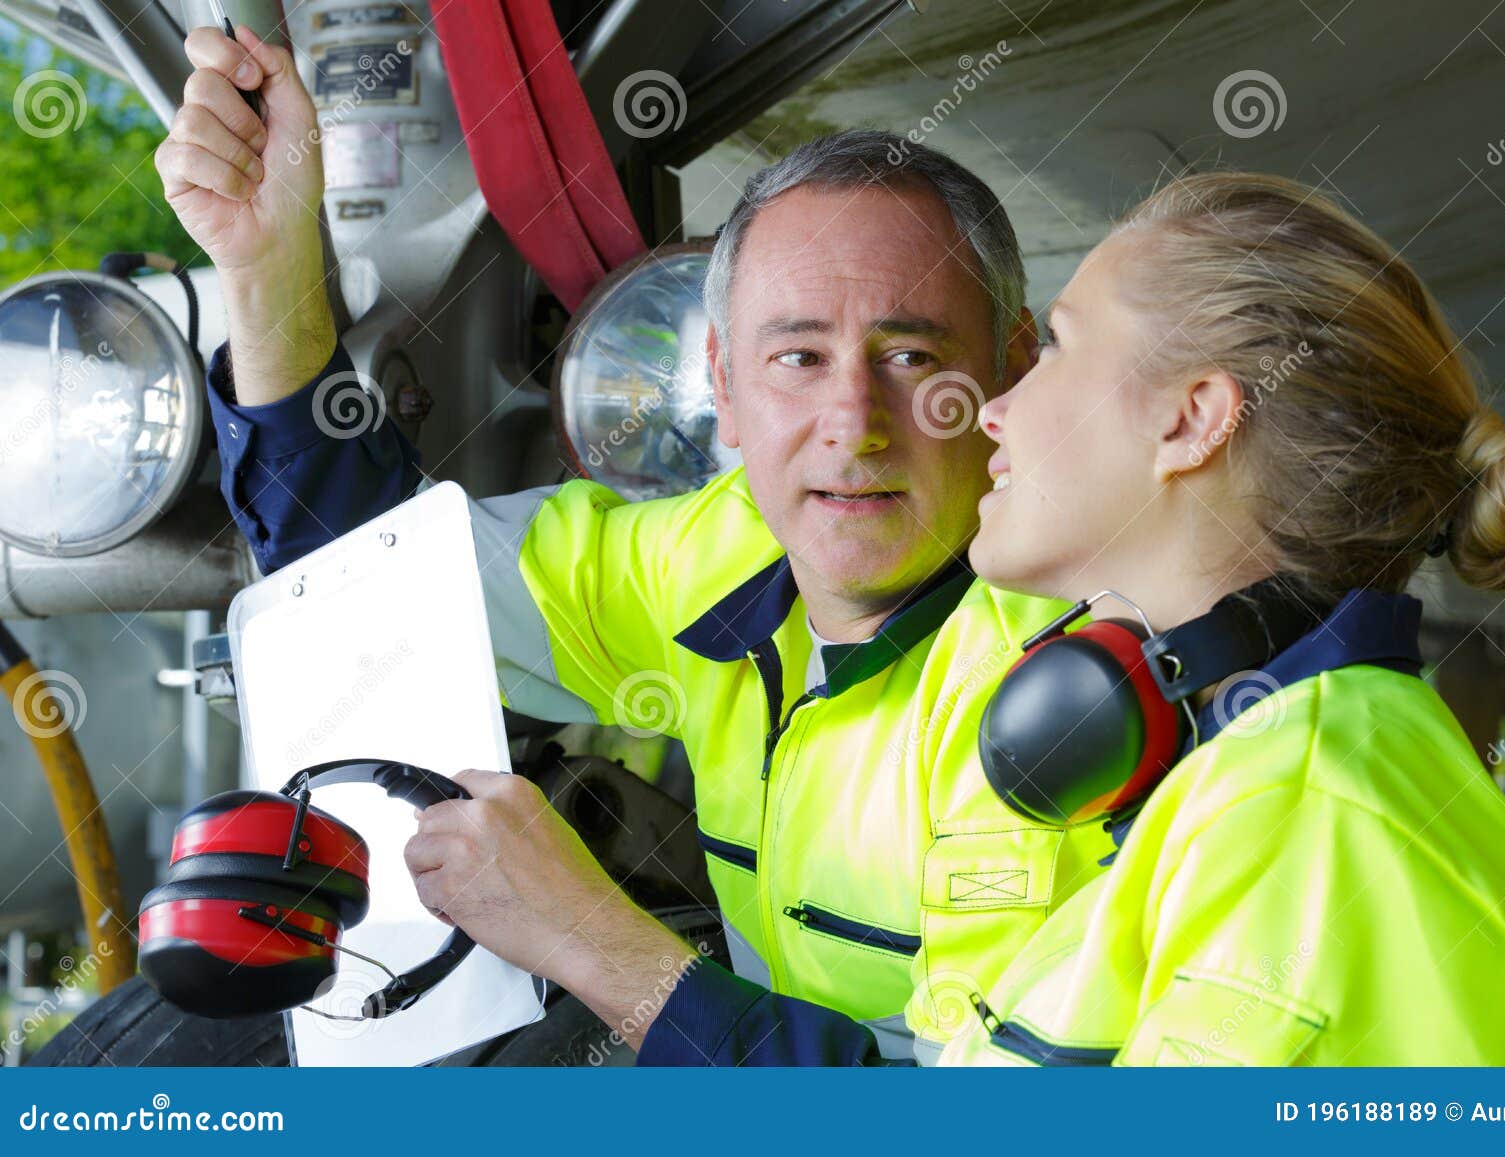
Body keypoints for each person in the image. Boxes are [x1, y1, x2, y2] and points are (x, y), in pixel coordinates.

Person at [155, 26, 1110, 1059]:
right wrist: (268, 270)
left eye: (911, 354)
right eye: (797, 355)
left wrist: (589, 937)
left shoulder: (1073, 695)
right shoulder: (722, 552)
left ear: (1012, 370)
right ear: (726, 387)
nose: (852, 420)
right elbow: (373, 589)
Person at [631, 171, 1505, 1065]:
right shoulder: (1249, 776)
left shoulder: (1307, 826)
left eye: (1055, 342)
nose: (994, 407)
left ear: (1188, 420)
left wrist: (622, 969)